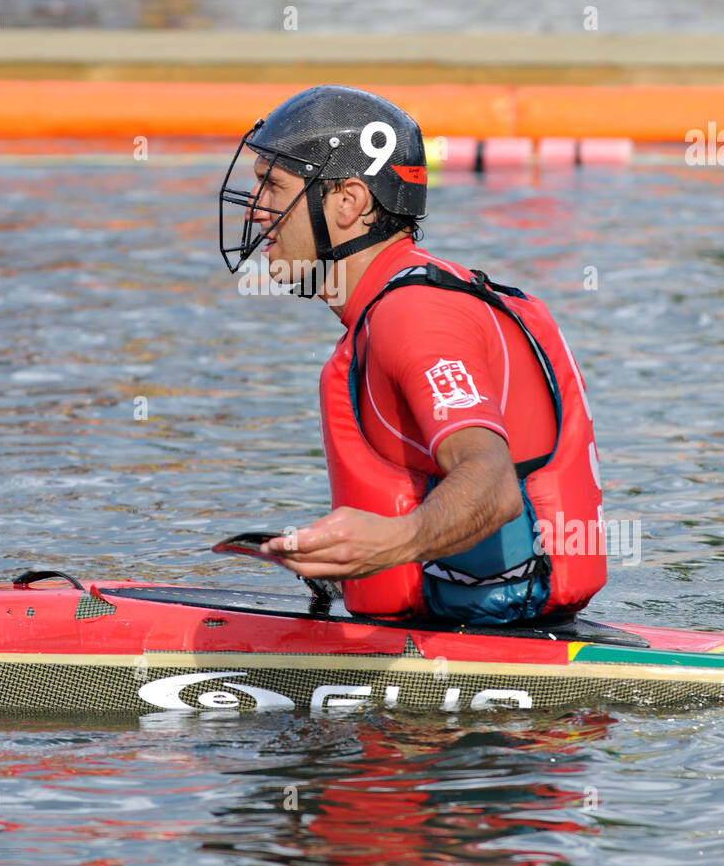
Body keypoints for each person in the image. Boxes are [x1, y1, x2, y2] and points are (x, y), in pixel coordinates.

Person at [219, 84, 606, 625]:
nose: (258, 211)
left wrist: (393, 542)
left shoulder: (413, 316)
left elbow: (493, 486)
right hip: (491, 627)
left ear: (349, 202)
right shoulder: (404, 299)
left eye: (273, 186)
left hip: (486, 653)